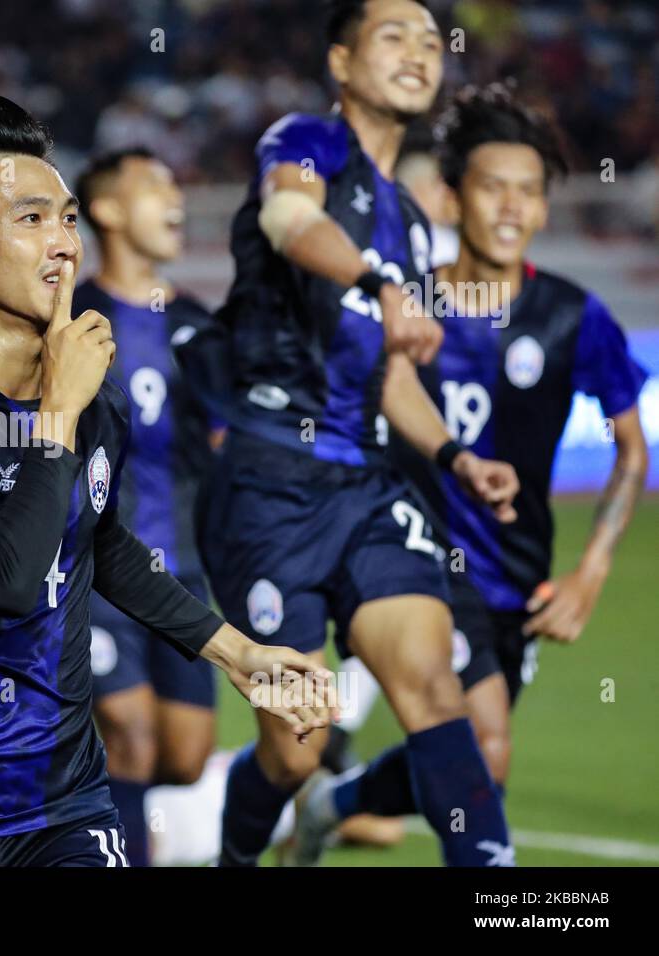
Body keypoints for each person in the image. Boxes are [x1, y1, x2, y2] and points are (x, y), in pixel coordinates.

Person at [0, 87, 335, 867]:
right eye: (29, 219)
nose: (62, 242)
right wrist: (59, 412)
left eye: (65, 218)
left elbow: (97, 539)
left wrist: (238, 653)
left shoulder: (93, 398)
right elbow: (8, 574)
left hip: (61, 795)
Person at [192, 0, 520, 866]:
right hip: (271, 479)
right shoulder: (305, 142)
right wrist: (379, 284)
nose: (418, 52)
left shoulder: (411, 220)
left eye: (427, 40)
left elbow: (395, 375)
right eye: (391, 36)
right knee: (294, 744)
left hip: (373, 487)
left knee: (435, 694)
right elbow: (287, 223)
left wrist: (457, 456)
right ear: (341, 63)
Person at [289, 82, 650, 863]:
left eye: (530, 191)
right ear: (451, 197)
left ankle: (335, 800)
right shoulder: (407, 307)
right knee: (480, 739)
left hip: (515, 575)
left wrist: (589, 572)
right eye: (493, 188)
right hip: (411, 560)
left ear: (548, 207)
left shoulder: (573, 317)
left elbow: (630, 447)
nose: (513, 207)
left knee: (473, 761)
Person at [72, 147, 222, 865]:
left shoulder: (193, 321)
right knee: (128, 733)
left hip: (184, 571)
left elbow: (229, 439)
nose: (176, 200)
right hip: (98, 571)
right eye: (156, 185)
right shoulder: (69, 317)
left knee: (186, 756)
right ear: (105, 210)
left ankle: (70, 808)